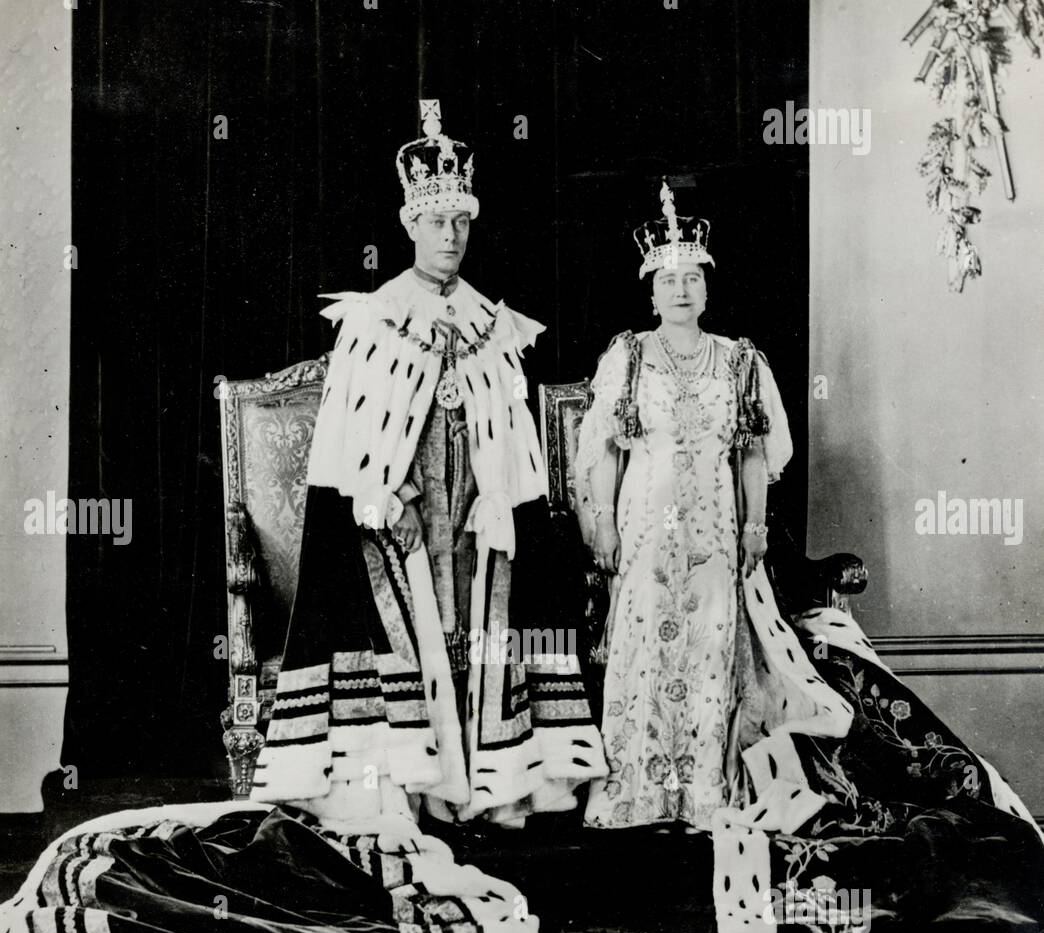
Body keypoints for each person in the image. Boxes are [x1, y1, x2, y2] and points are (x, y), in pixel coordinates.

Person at [251, 99, 607, 830]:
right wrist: (395, 496)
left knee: (486, 636)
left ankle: (493, 781)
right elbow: (352, 445)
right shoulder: (374, 320)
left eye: (461, 223)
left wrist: (498, 493)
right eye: (437, 222)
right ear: (410, 224)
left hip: (479, 522)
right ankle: (411, 784)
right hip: (399, 528)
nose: (450, 236)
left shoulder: (491, 322)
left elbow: (513, 433)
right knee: (411, 643)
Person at [574, 180, 791, 832]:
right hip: (645, 530)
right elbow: (602, 453)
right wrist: (602, 524)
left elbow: (753, 451)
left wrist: (755, 525)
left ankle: (704, 796)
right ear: (649, 289)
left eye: (692, 276)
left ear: (708, 284)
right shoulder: (629, 357)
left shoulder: (740, 361)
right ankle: (638, 796)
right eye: (668, 280)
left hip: (715, 535)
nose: (681, 289)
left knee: (709, 650)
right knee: (644, 647)